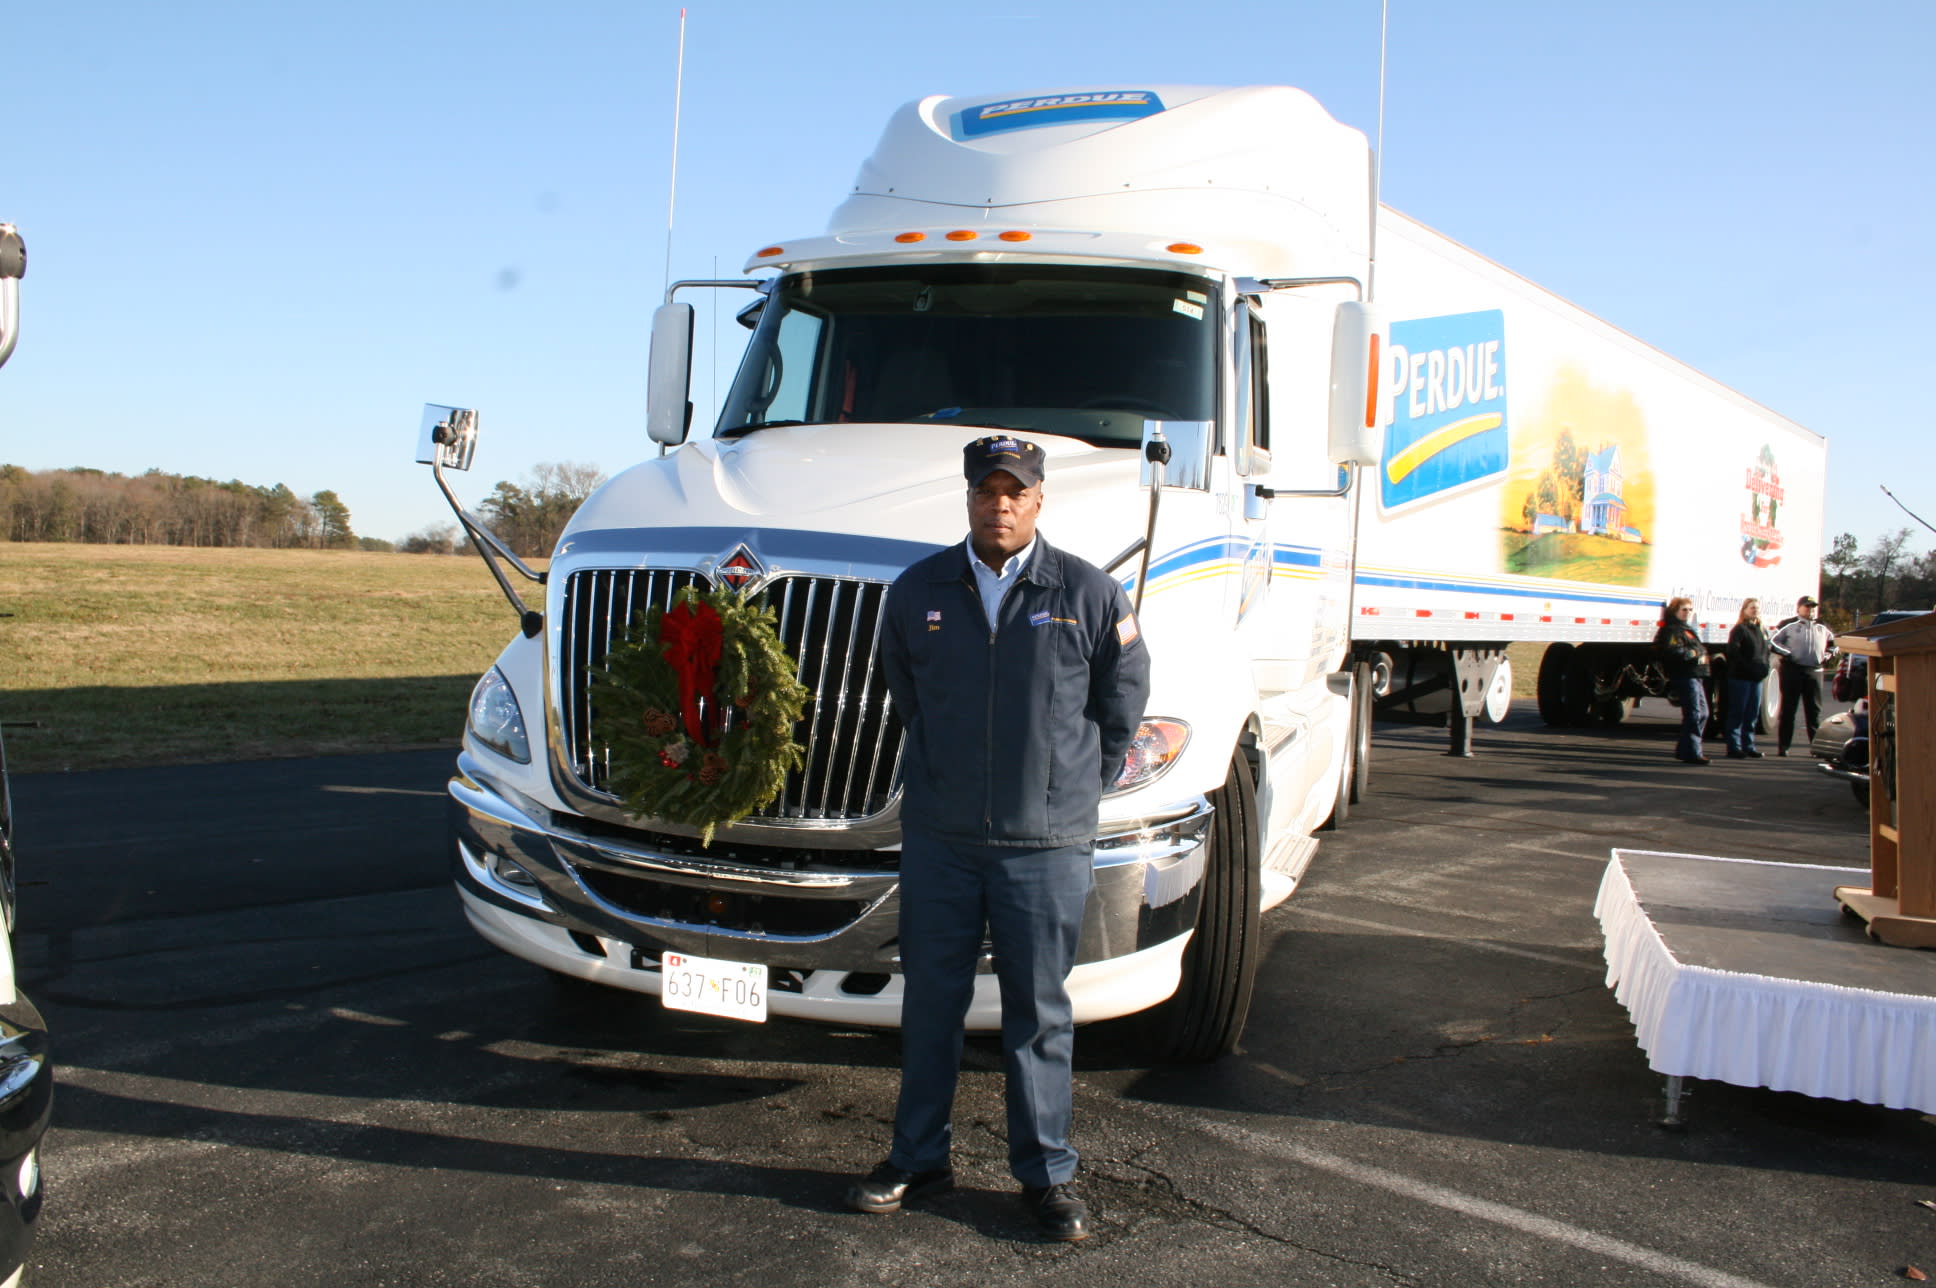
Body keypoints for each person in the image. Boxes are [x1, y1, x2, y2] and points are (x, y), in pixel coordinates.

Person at [848, 434, 1151, 1242]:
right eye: (988, 490)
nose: (1001, 503)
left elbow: (1121, 706)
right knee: (931, 1007)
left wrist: (1069, 786)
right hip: (943, 839)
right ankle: (918, 1158)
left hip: (1044, 846)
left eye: (1016, 491)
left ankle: (1046, 1176)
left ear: (1040, 499)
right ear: (970, 496)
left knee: (1038, 1014)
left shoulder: (1087, 592)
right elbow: (905, 689)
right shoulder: (918, 591)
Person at [1770, 595, 1835, 756]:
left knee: (1814, 711)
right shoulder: (1788, 624)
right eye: (1807, 607)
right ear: (1799, 608)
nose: (1810, 610)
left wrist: (1826, 656)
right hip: (1793, 670)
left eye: (1812, 607)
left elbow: (1834, 645)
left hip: (1814, 671)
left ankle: (1816, 748)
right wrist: (1788, 653)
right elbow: (1772, 641)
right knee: (1789, 710)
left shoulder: (1822, 625)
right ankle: (1784, 747)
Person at [1653, 597, 1710, 764]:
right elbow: (1673, 652)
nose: (1688, 612)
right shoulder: (1673, 630)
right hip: (1685, 675)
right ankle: (1693, 751)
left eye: (1690, 609)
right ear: (1675, 611)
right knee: (1694, 714)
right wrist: (1693, 654)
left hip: (1696, 675)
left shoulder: (1687, 629)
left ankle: (1684, 748)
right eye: (1684, 609)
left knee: (1704, 713)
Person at [1722, 598, 1772, 758]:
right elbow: (1733, 653)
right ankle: (1733, 747)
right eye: (1751, 608)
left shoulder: (1762, 630)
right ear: (1744, 610)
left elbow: (1766, 653)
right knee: (1738, 713)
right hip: (1740, 678)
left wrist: (1764, 668)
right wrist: (1749, 668)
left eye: (1757, 608)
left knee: (1752, 714)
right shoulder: (1739, 630)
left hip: (1756, 679)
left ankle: (1748, 745)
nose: (1755, 610)